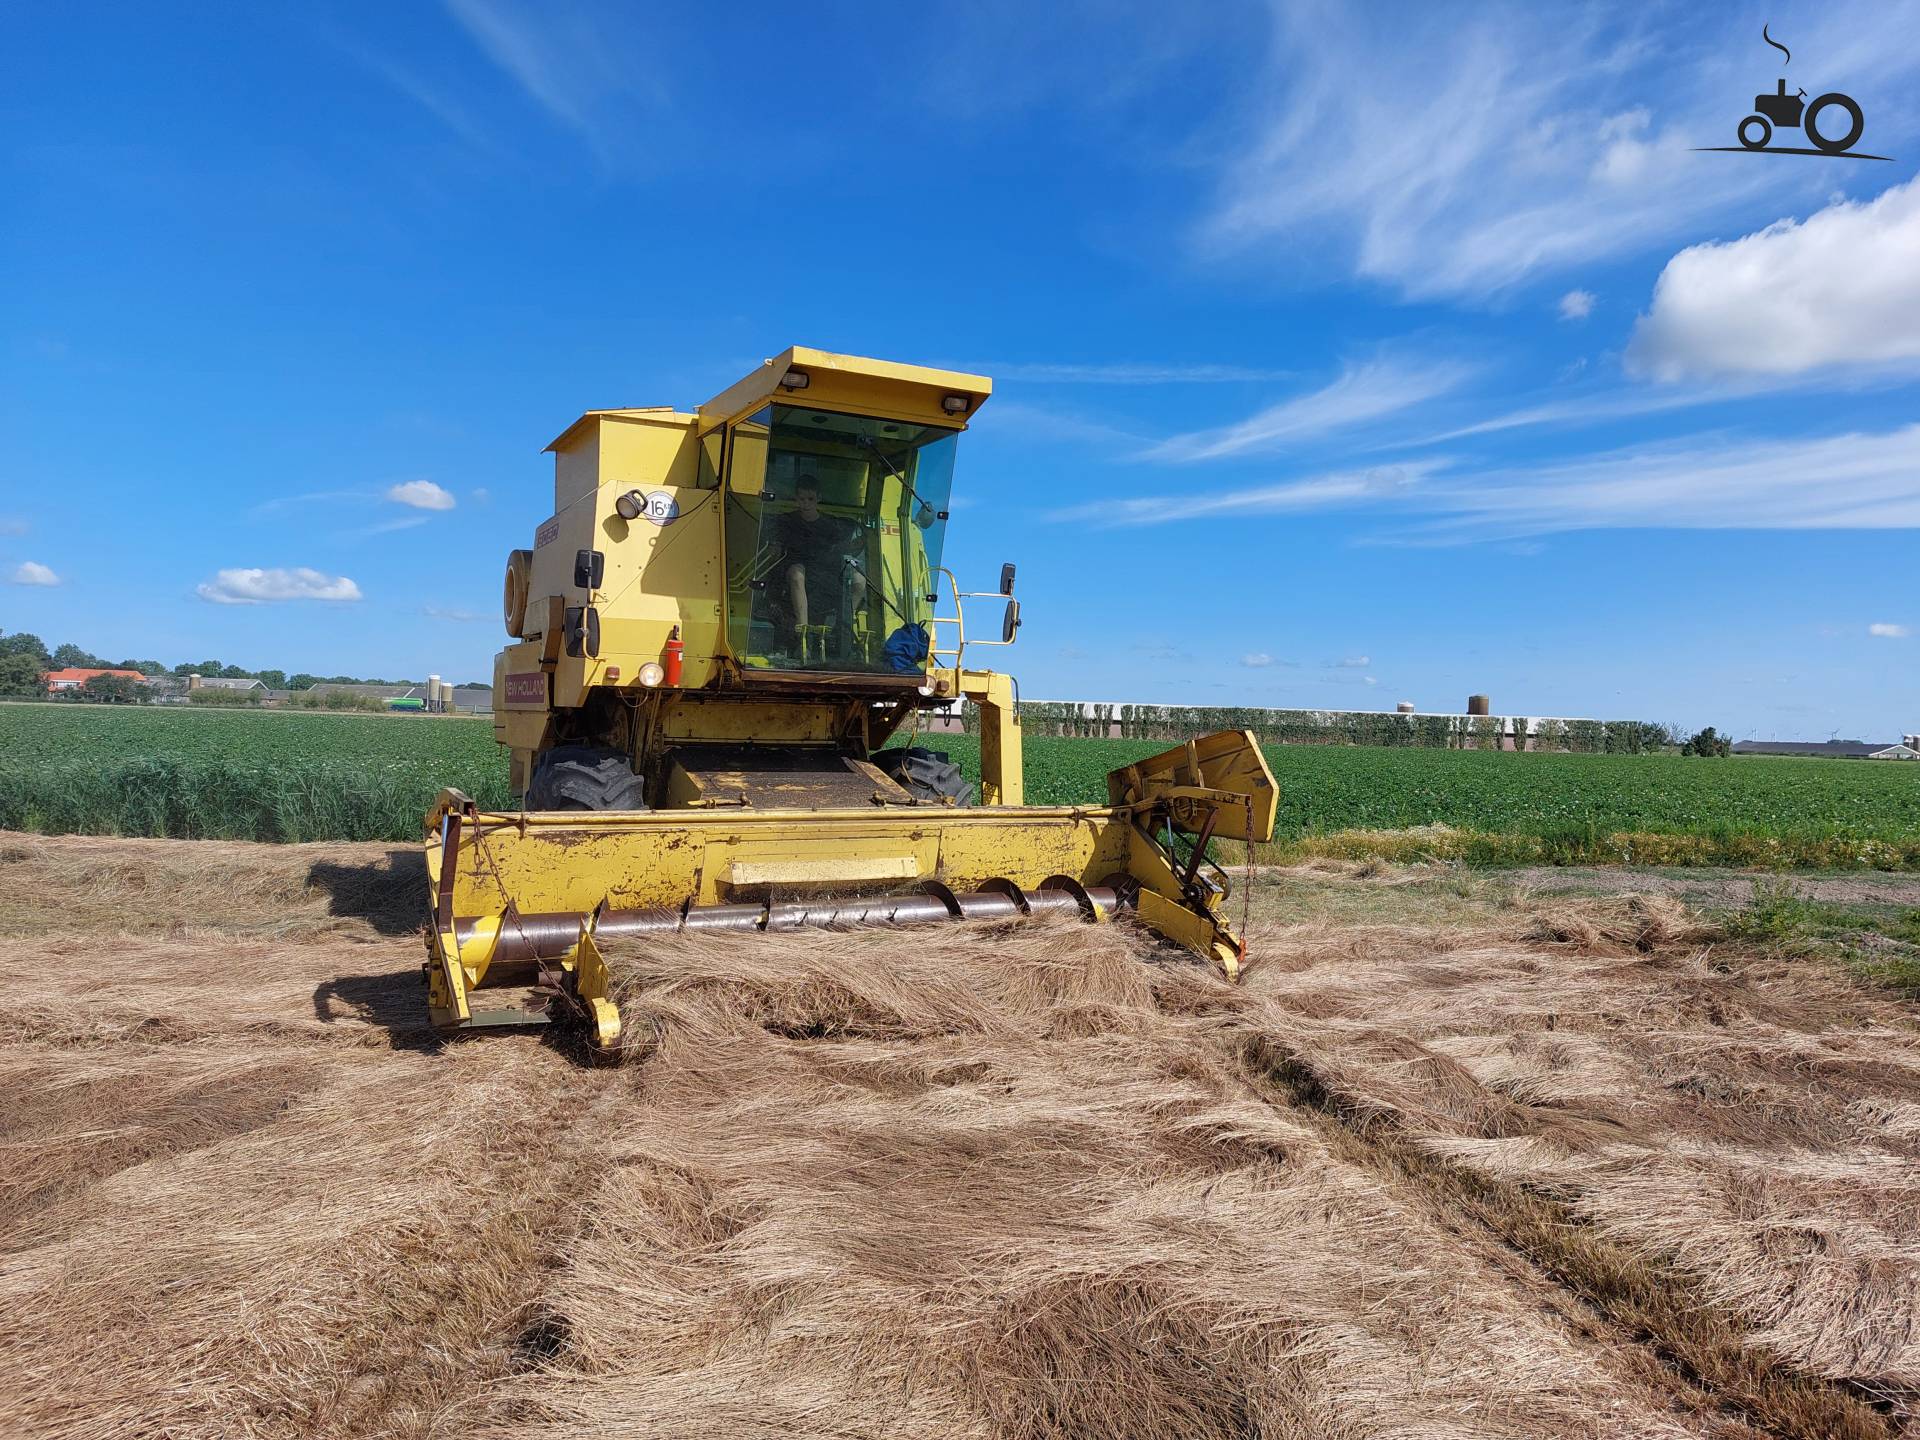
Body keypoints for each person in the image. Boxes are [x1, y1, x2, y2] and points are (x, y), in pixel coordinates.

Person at [770, 475, 858, 653]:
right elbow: (776, 550)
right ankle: (804, 635)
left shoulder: (832, 526)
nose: (805, 503)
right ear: (796, 499)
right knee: (797, 572)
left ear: (819, 499)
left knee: (859, 579)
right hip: (795, 572)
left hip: (825, 574)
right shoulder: (786, 521)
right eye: (801, 499)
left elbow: (844, 550)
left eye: (810, 499)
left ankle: (842, 629)